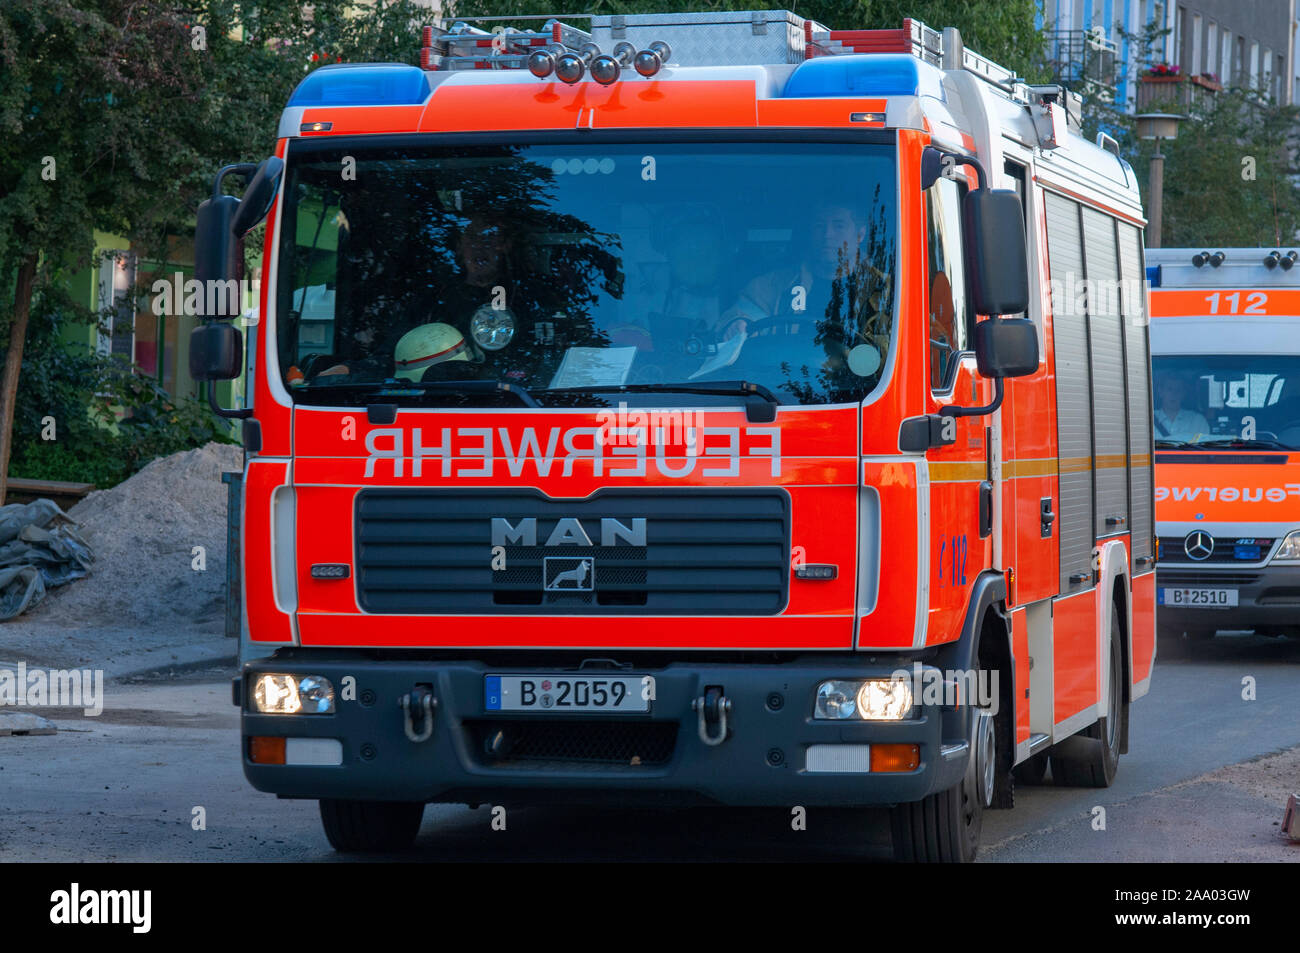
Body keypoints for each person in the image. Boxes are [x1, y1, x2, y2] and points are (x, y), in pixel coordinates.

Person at [1154, 374, 1211, 442]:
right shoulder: (1147, 420)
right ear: (1161, 392)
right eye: (1170, 389)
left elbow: (1204, 448)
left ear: (1183, 394)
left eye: (1178, 390)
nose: (1174, 394)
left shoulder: (1198, 420)